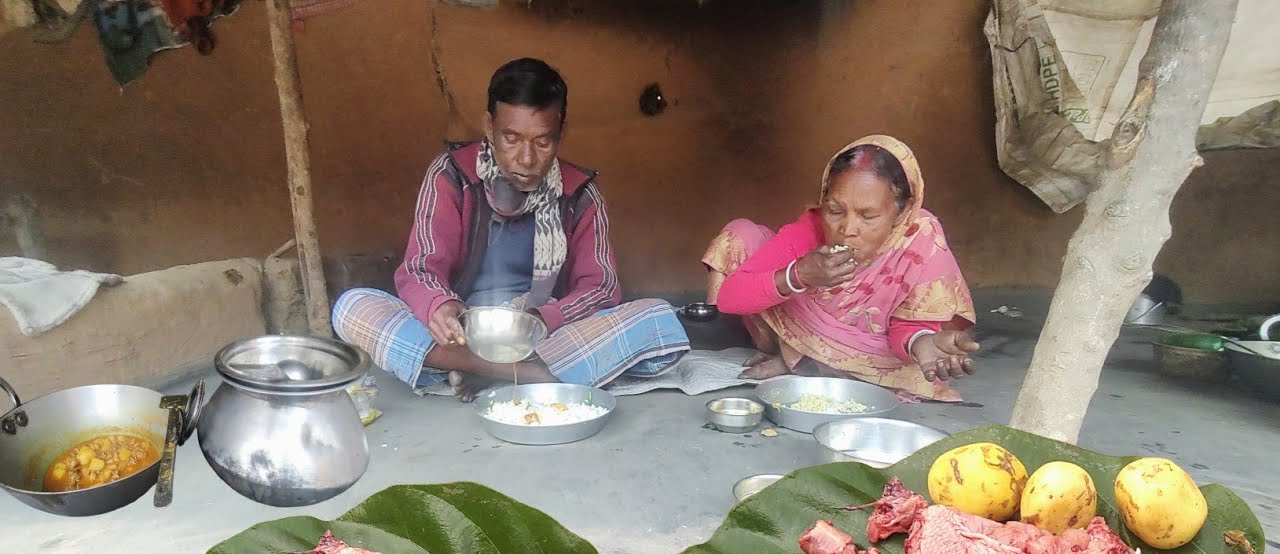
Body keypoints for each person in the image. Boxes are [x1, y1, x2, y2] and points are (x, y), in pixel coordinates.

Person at [333, 58, 689, 401]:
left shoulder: (579, 194)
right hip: (464, 334)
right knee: (353, 307)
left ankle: (475, 371)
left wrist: (543, 317)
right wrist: (440, 306)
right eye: (511, 138)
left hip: (545, 334)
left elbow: (601, 287)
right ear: (489, 126)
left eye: (542, 141)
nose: (526, 158)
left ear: (561, 132)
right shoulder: (452, 175)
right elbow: (419, 267)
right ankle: (528, 376)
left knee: (656, 317)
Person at [702, 135, 978, 402]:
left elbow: (907, 326)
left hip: (875, 350)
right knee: (741, 237)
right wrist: (798, 275)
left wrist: (921, 341)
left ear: (902, 212)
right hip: (803, 336)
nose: (847, 229)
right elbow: (730, 298)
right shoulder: (810, 228)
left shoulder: (920, 239)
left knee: (912, 365)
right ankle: (798, 358)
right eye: (835, 211)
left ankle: (802, 364)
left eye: (867, 216)